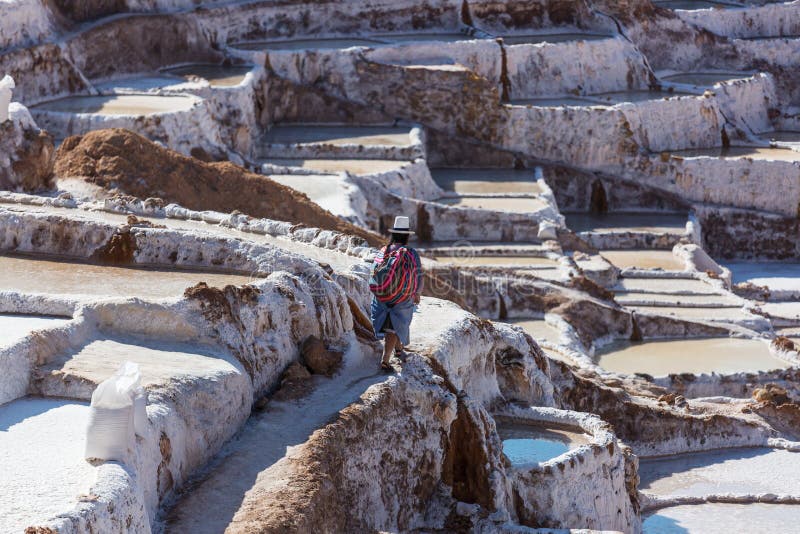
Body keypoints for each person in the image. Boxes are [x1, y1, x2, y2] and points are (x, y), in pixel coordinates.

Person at [369, 215, 423, 371]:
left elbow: (373, 272)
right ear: (406, 236)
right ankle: (385, 359)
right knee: (396, 324)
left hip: (381, 295)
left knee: (390, 324)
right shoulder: (411, 253)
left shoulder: (383, 251)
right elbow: (418, 276)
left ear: (393, 234)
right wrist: (416, 293)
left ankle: (398, 349)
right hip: (402, 297)